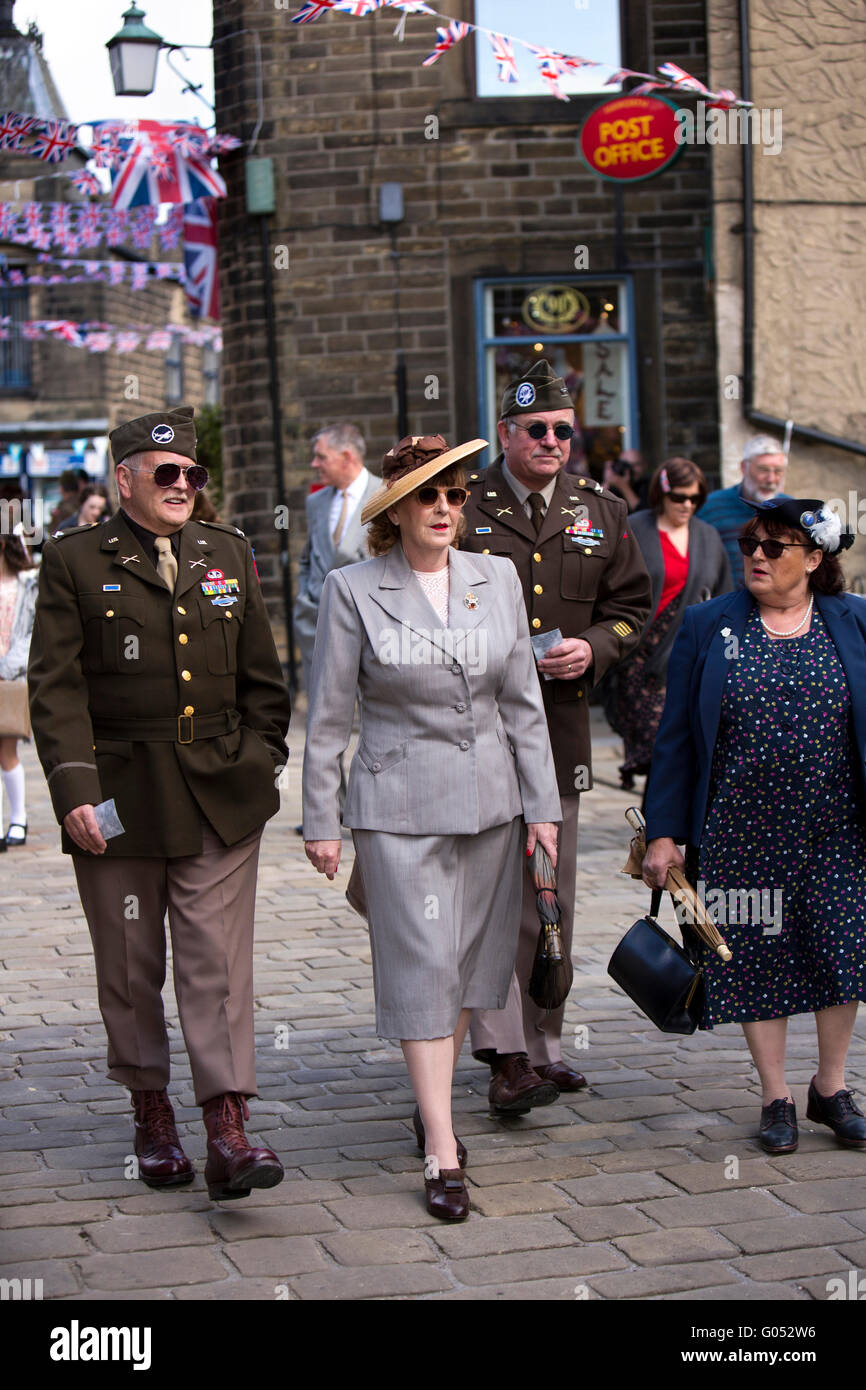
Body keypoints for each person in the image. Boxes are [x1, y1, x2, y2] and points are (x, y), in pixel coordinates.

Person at [28, 405, 292, 1199]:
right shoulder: (75, 560)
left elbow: (264, 677)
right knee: (132, 965)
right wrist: (75, 788)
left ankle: (227, 1124)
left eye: (193, 474)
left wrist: (262, 759)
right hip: (119, 796)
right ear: (125, 480)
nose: (183, 485)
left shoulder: (228, 552)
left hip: (220, 790)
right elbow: (56, 688)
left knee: (216, 965)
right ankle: (151, 1111)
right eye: (166, 473)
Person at [302, 434, 561, 1221]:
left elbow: (522, 700)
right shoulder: (354, 590)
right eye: (428, 496)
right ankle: (442, 1149)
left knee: (467, 972)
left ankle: (433, 1101)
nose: (445, 508)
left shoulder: (499, 578)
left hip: (490, 805)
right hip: (398, 810)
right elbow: (327, 716)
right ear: (396, 511)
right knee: (421, 964)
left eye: (455, 494)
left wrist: (543, 806)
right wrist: (323, 819)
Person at [643, 498, 866, 1155]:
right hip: (741, 830)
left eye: (775, 547)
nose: (757, 557)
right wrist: (665, 831)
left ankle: (832, 1088)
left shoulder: (853, 621)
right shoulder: (711, 624)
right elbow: (676, 738)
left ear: (814, 559)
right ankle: (776, 1097)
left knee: (839, 952)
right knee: (757, 958)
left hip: (836, 826)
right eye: (750, 546)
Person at [460, 360, 652, 1113]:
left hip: (561, 733)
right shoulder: (465, 508)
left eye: (562, 431)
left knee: (550, 897)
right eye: (534, 428)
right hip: (475, 728)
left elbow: (632, 609)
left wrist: (597, 648)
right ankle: (502, 1049)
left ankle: (545, 1042)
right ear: (505, 433)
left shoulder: (600, 511)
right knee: (481, 894)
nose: (550, 440)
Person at [607, 458, 732, 793]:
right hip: (641, 661)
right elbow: (610, 587)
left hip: (689, 659)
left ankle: (662, 832)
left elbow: (723, 595)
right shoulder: (634, 529)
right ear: (661, 494)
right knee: (661, 750)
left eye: (695, 498)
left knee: (680, 753)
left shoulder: (707, 536)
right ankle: (658, 832)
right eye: (679, 497)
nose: (687, 505)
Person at [293, 422, 379, 695]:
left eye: (321, 457)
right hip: (316, 625)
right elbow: (309, 558)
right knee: (323, 716)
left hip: (368, 628)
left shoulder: (387, 494)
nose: (314, 463)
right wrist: (304, 599)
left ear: (346, 457)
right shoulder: (315, 502)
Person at [698, 434, 790, 586]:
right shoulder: (710, 507)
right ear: (743, 467)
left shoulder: (790, 510)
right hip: (724, 603)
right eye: (763, 469)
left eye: (778, 471)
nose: (771, 479)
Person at [0, 531, 38, 848]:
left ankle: (18, 819)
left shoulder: (28, 583)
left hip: (11, 677)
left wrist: (8, 666)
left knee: (7, 750)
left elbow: (31, 634)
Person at [601, 449, 650, 514]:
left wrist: (624, 487)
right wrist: (606, 482)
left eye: (636, 465)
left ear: (645, 465)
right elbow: (596, 510)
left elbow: (643, 514)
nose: (631, 469)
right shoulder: (613, 485)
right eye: (626, 465)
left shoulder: (649, 484)